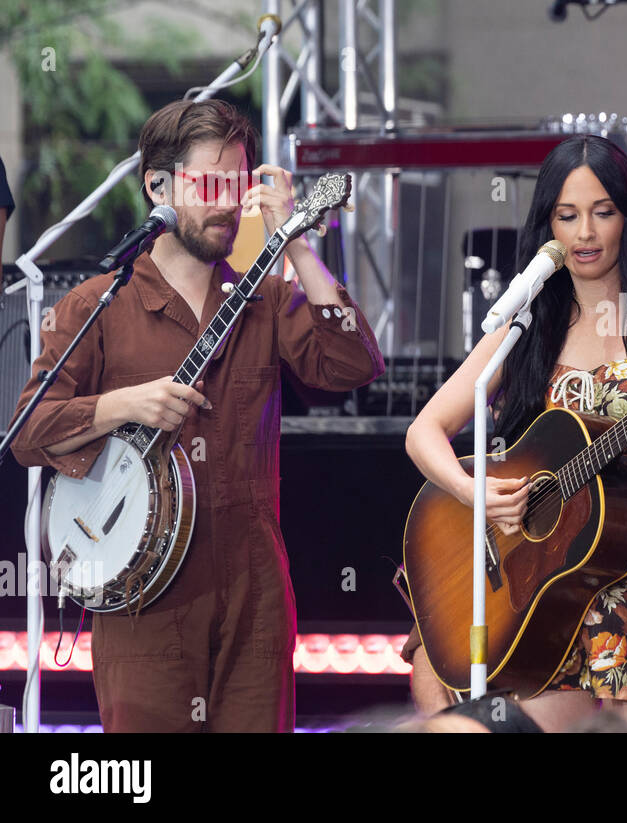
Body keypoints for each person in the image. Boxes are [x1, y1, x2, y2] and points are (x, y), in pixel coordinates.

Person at [10, 98, 384, 731]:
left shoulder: (263, 295)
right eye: (209, 185)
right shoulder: (97, 305)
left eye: (236, 186)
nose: (226, 205)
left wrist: (295, 244)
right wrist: (121, 405)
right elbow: (28, 432)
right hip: (142, 597)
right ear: (157, 186)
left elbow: (352, 365)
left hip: (253, 591)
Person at [403, 134, 627, 731]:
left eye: (603, 213)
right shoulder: (525, 326)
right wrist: (474, 492)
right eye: (567, 216)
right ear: (547, 226)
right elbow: (425, 431)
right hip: (541, 585)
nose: (585, 233)